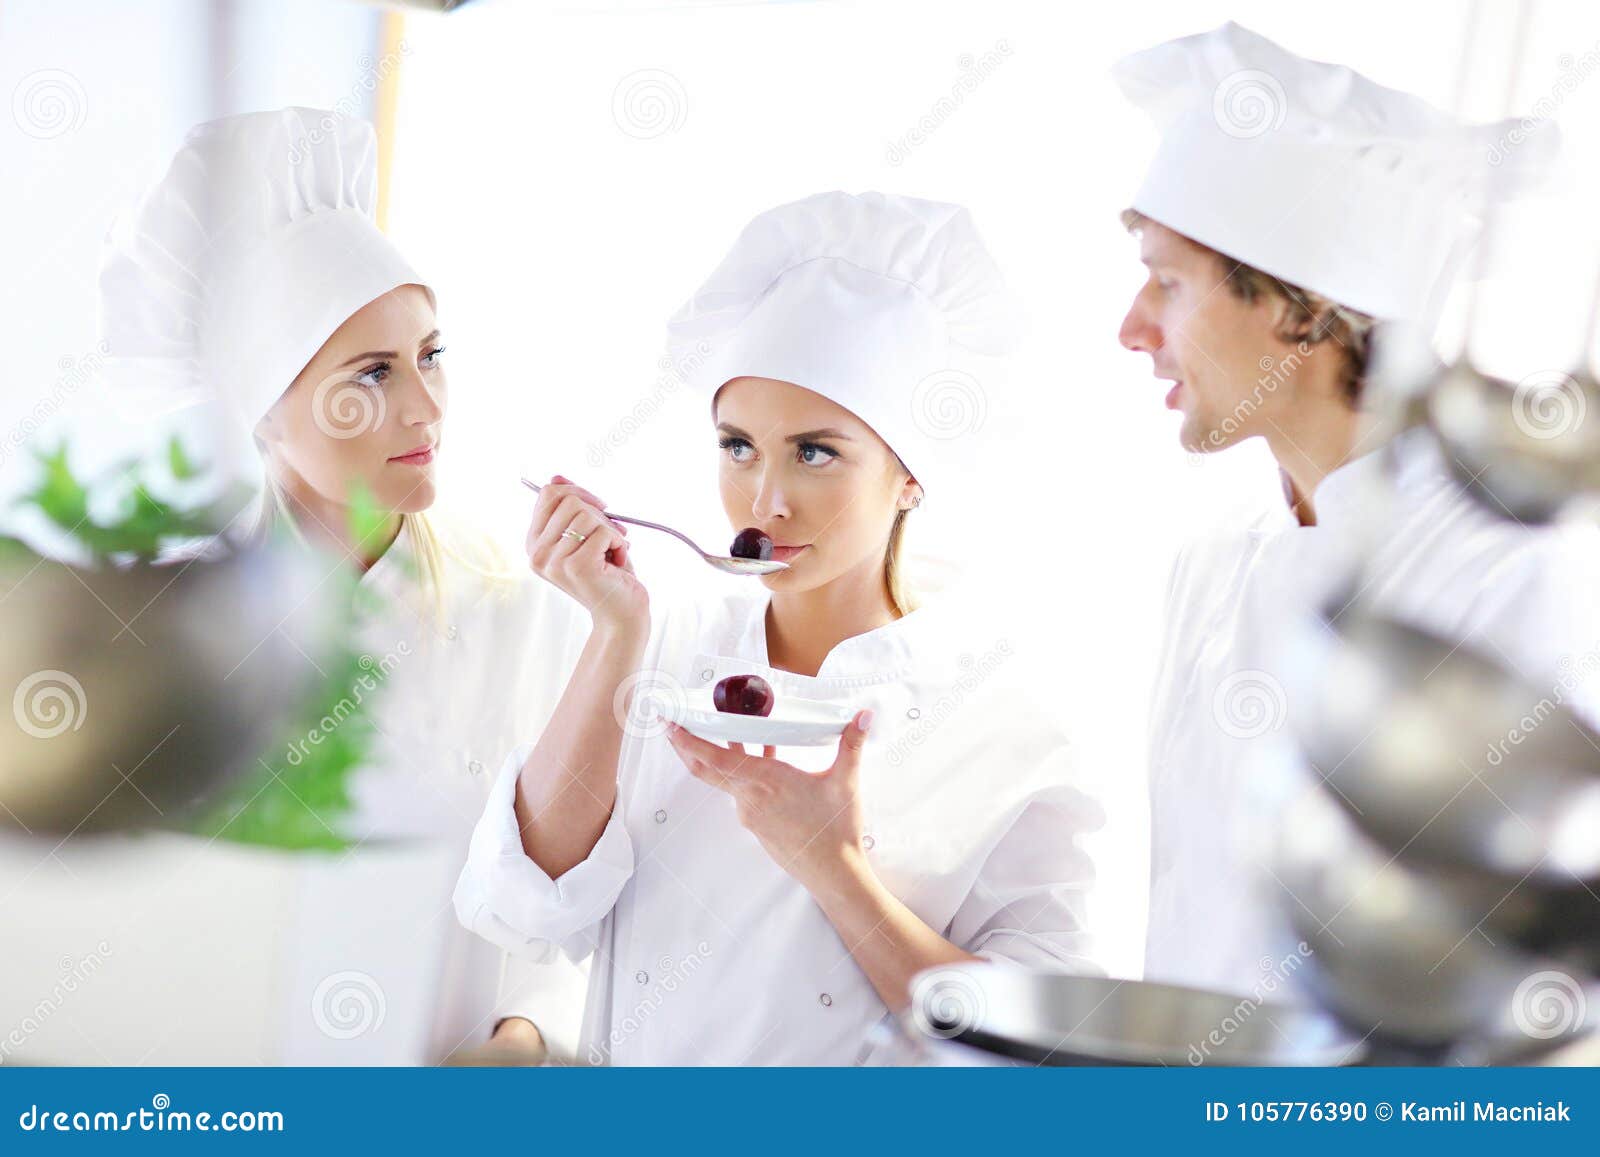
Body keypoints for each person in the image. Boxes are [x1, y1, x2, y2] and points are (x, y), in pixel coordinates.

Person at [454, 191, 1105, 1065]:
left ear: (911, 474)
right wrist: (616, 629)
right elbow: (523, 905)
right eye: (738, 446)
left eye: (815, 452)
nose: (764, 499)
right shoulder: (666, 652)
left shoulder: (1007, 727)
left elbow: (1039, 1058)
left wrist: (832, 866)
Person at [1113, 24, 1600, 997]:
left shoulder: (1516, 567)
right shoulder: (1210, 564)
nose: (1130, 328)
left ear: (1303, 304)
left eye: (1167, 282)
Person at [97, 107, 592, 1061]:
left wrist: (525, 1040)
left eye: (431, 355)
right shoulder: (166, 633)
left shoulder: (528, 611)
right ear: (269, 413)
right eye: (372, 372)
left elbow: (574, 913)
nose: (426, 405)